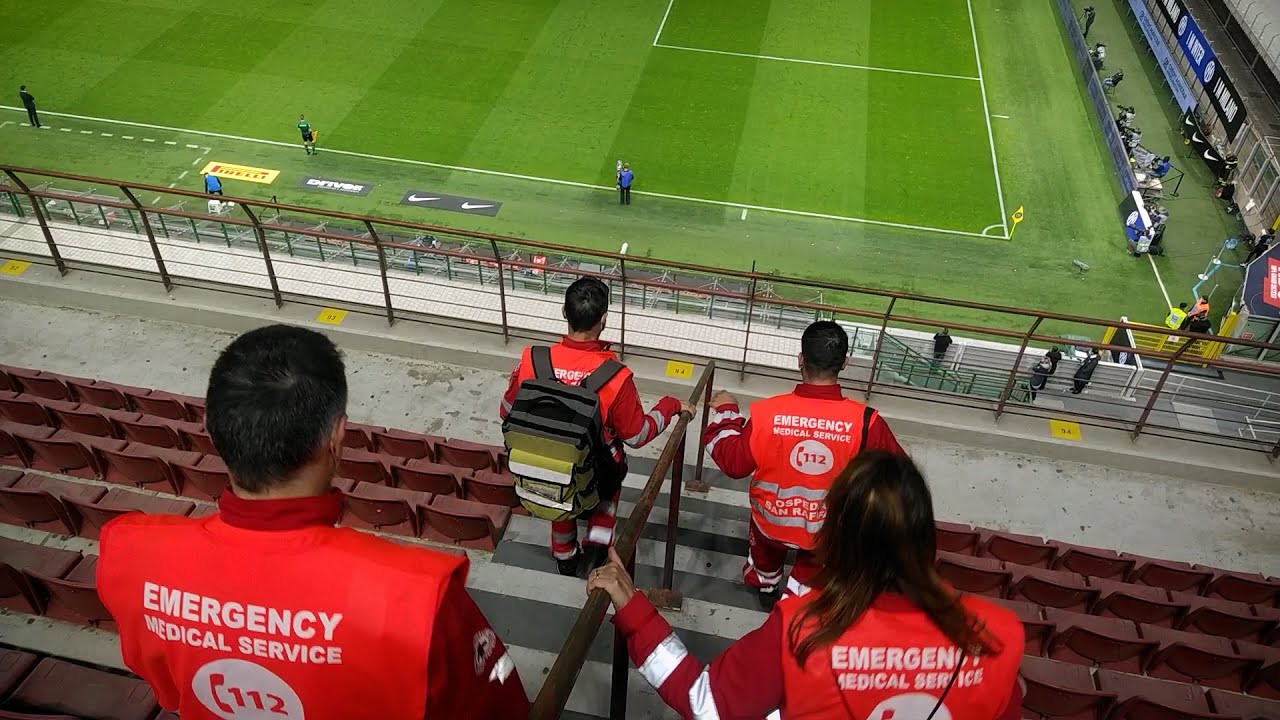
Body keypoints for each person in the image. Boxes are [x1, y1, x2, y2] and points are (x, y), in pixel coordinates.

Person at [97, 325, 529, 719]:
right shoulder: (418, 596)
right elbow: (499, 710)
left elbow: (168, 689)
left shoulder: (129, 552)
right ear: (337, 438)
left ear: (211, 427)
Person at [588, 450, 1026, 720]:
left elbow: (705, 702)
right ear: (926, 536)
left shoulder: (800, 631)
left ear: (835, 537)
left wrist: (635, 612)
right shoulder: (1000, 634)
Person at [702, 321, 904, 605]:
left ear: (800, 360)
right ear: (844, 363)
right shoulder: (867, 423)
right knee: (813, 576)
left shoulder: (767, 413)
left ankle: (766, 588)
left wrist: (726, 411)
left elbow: (733, 463)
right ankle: (797, 604)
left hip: (769, 524)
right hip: (828, 532)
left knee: (765, 560)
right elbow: (899, 477)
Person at [500, 277, 689, 575]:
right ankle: (597, 551)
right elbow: (638, 435)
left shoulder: (530, 360)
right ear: (603, 321)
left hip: (546, 469)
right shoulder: (616, 376)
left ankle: (564, 557)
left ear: (564, 313)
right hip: (597, 475)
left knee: (560, 467)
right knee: (609, 465)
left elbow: (506, 411)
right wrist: (670, 405)